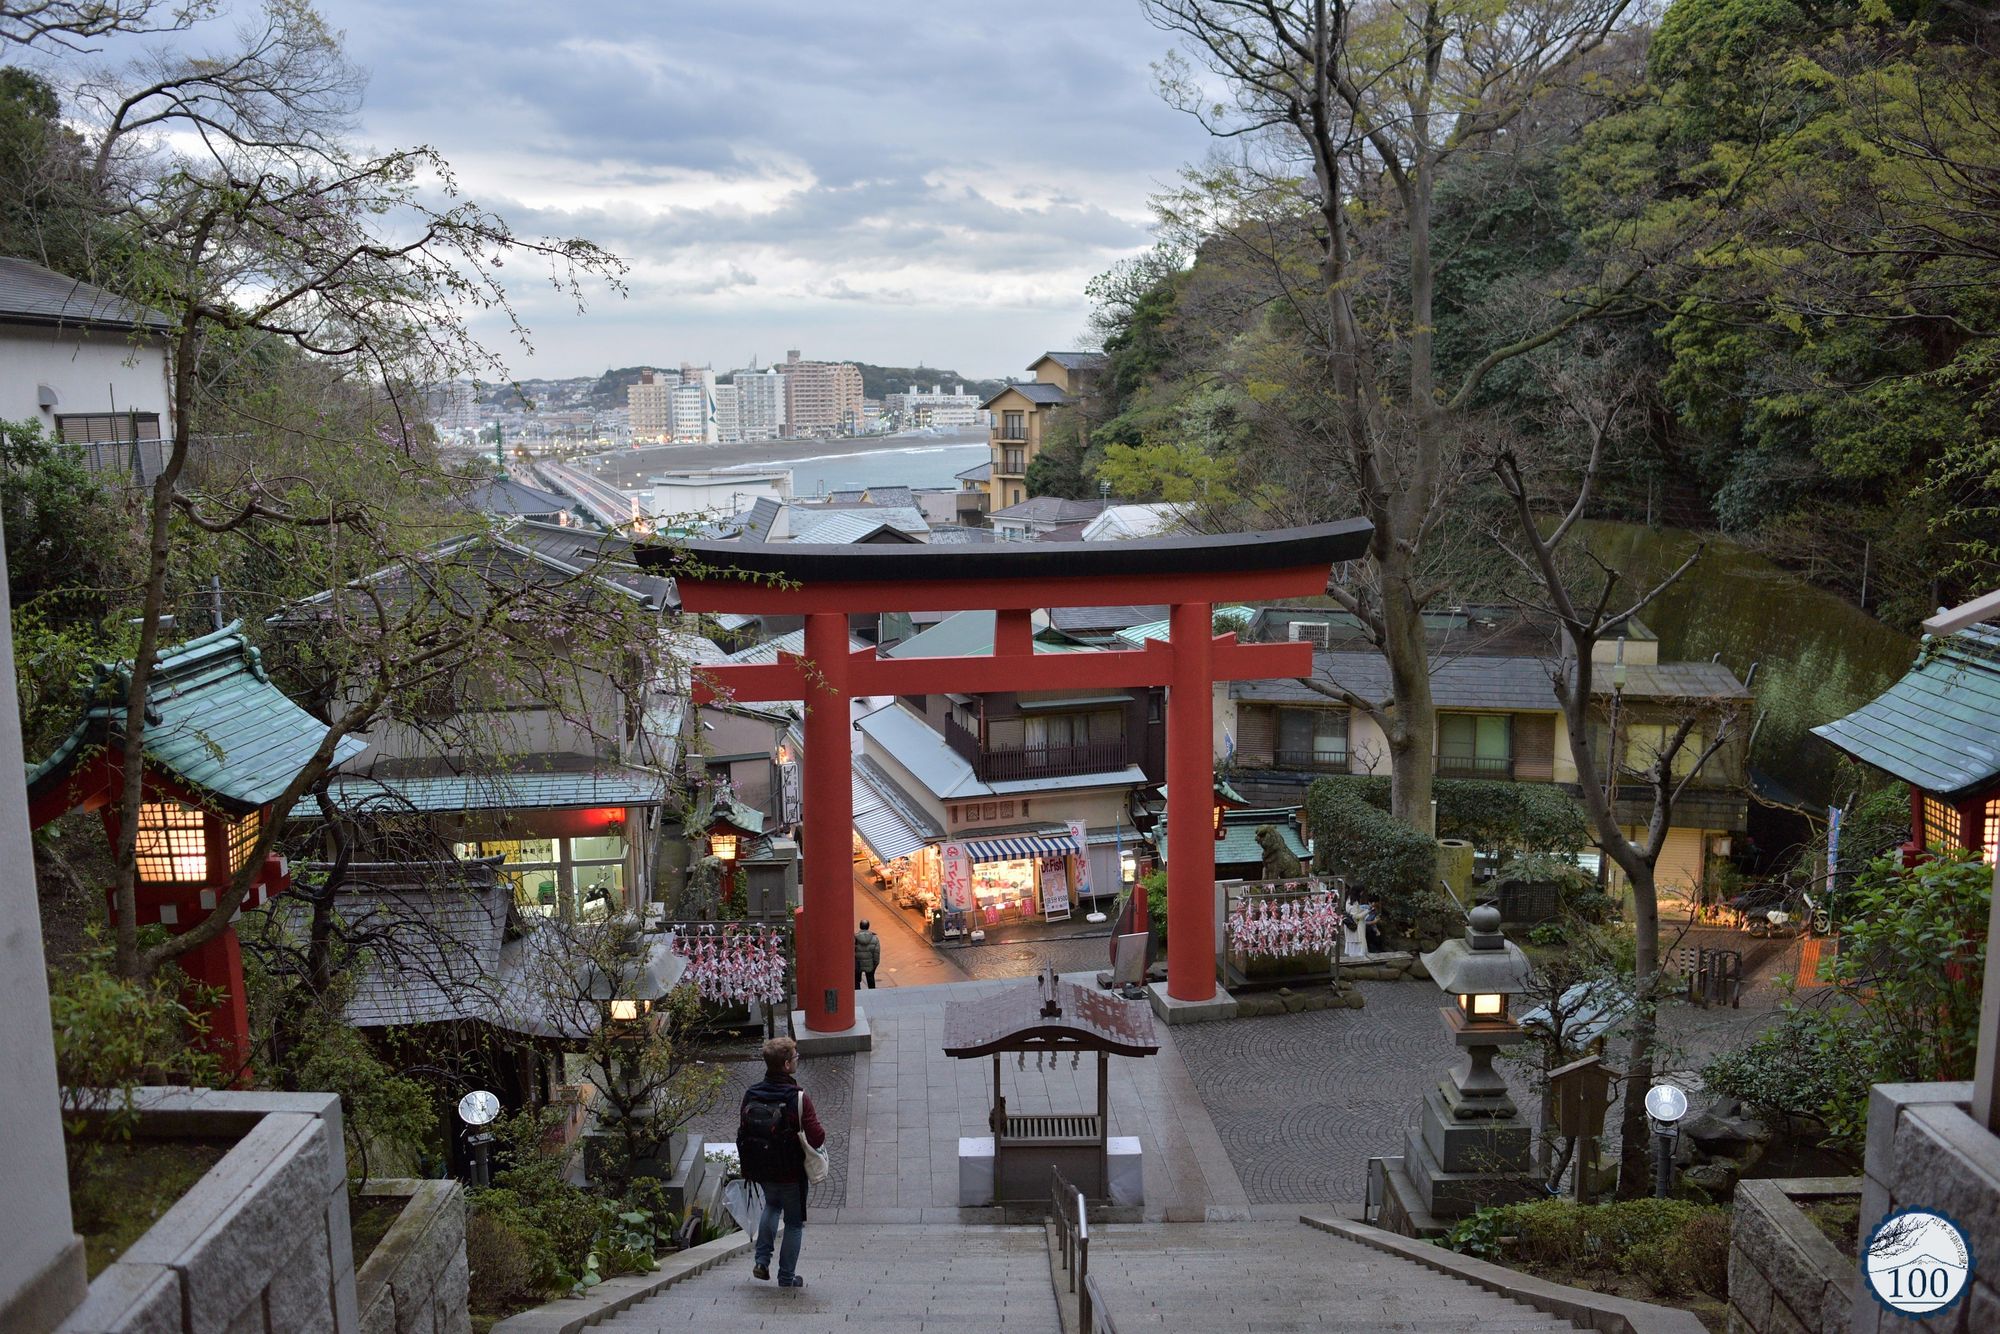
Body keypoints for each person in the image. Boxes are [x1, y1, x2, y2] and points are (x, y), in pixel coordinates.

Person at [737, 1036, 826, 1288]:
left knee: (771, 1207)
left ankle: (761, 1261)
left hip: (762, 1168)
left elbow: (744, 1130)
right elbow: (816, 1136)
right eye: (796, 1057)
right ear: (786, 1065)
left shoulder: (751, 1093)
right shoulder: (796, 1097)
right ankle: (786, 1277)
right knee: (794, 1223)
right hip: (790, 1171)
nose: (798, 1061)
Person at [854, 919, 881, 989]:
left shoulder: (854, 938)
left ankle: (858, 995)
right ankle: (872, 994)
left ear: (860, 926)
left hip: (857, 964)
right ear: (868, 926)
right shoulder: (875, 939)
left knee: (856, 981)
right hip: (870, 964)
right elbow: (876, 954)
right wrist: (875, 965)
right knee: (870, 980)